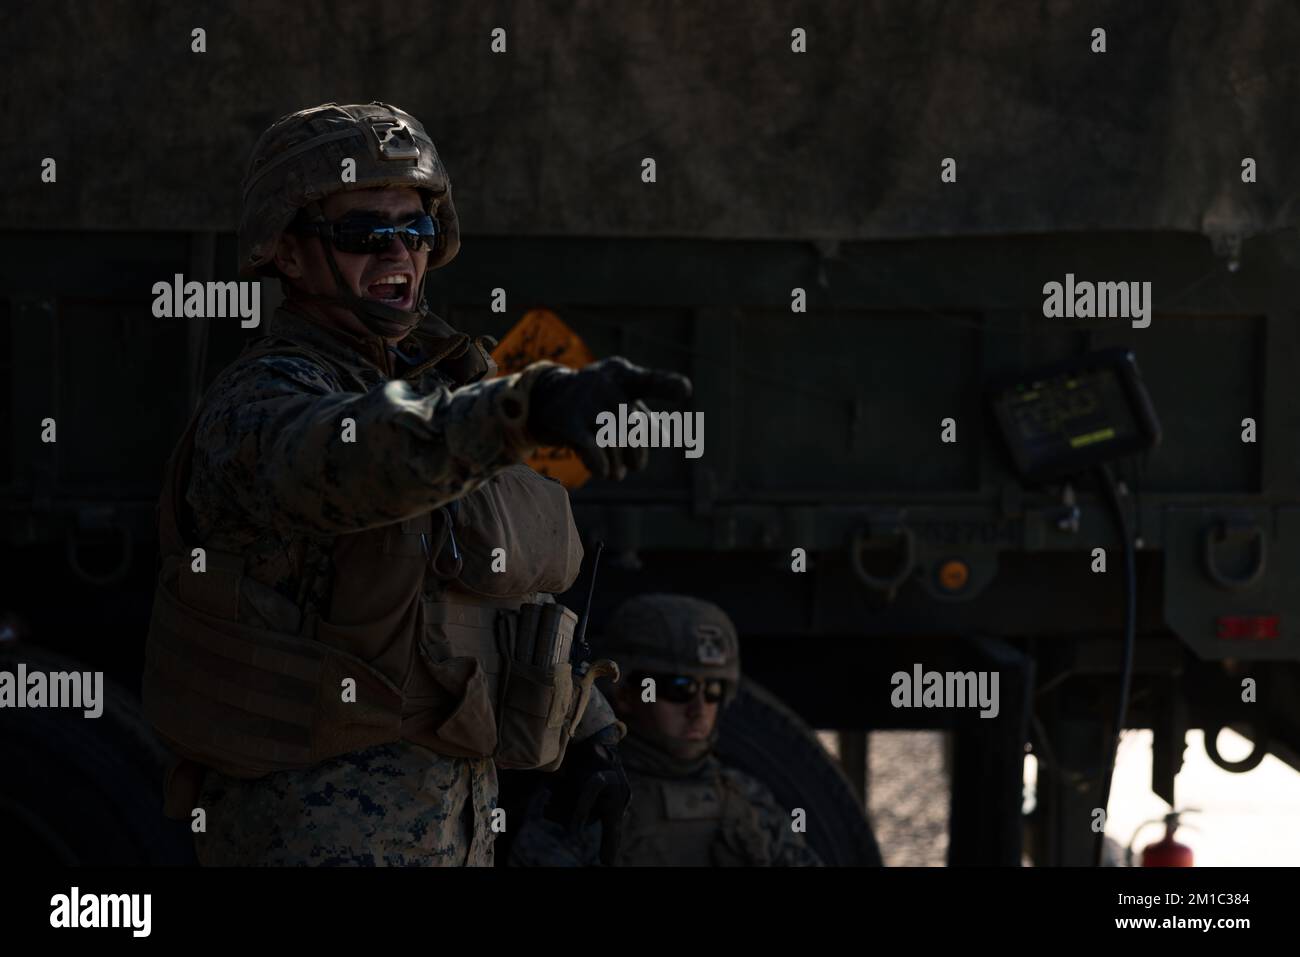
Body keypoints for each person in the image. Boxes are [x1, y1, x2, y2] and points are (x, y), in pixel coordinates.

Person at [141, 102, 689, 866]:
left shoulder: (442, 381)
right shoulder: (263, 404)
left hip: (449, 828)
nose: (399, 251)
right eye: (366, 234)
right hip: (314, 836)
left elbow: (480, 588)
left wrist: (587, 727)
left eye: (417, 229)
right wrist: (520, 411)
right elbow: (362, 457)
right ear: (288, 254)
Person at [510, 593, 822, 866]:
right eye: (679, 688)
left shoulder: (749, 800)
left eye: (712, 689)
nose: (698, 709)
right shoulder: (584, 798)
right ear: (627, 693)